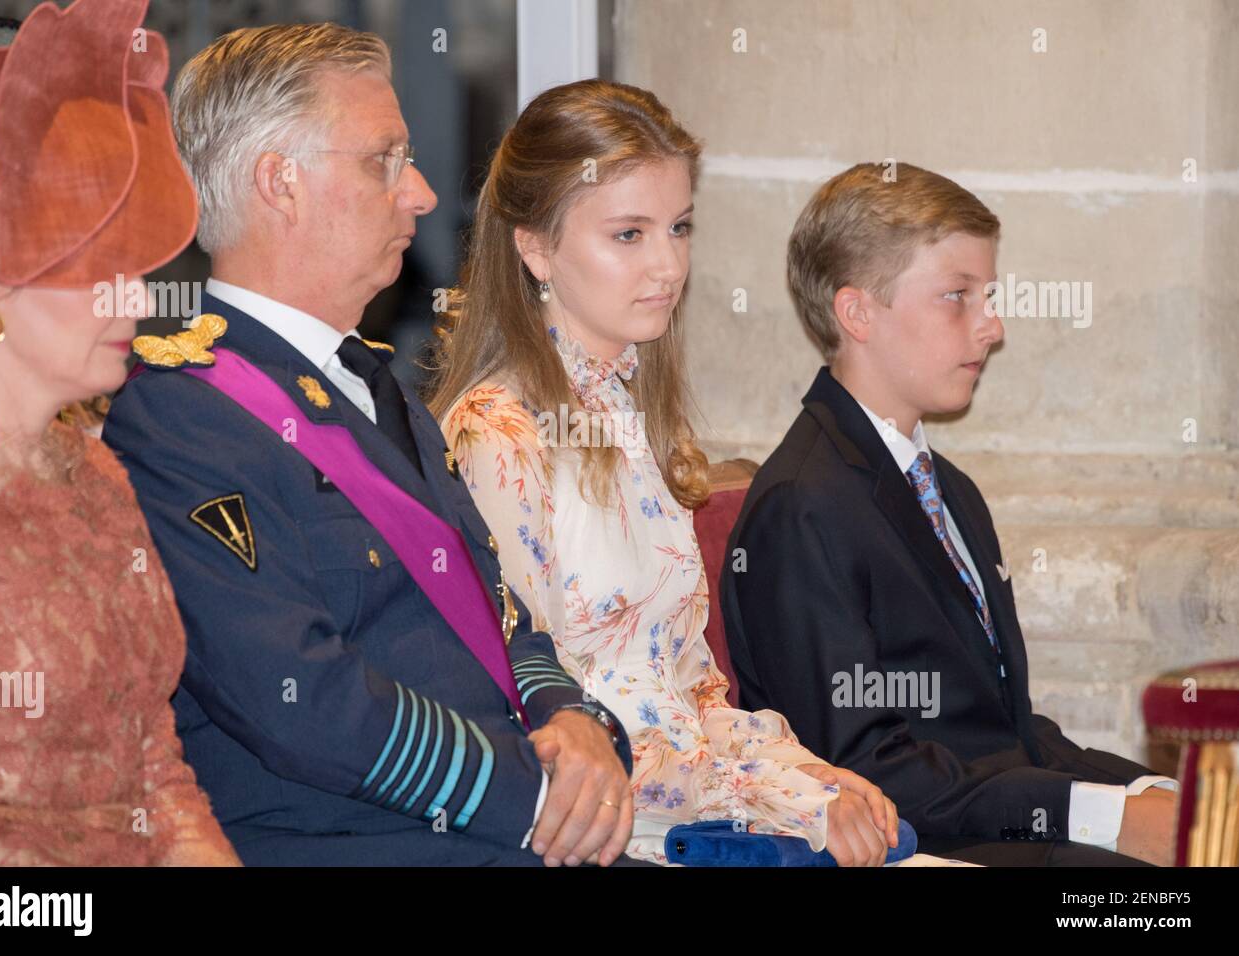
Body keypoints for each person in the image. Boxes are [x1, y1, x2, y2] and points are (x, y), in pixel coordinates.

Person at [104, 23, 640, 867]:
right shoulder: (179, 417)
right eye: (383, 160)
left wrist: (575, 724)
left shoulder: (379, 387)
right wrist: (534, 796)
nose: (422, 192)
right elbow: (301, 702)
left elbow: (499, 614)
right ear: (280, 182)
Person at [431, 79, 932, 867]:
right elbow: (542, 725)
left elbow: (694, 691)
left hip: (704, 808)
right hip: (610, 834)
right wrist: (785, 800)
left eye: (679, 227)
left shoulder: (631, 411)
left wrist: (809, 772)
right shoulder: (499, 434)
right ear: (535, 247)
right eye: (628, 235)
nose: (668, 264)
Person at [721, 161, 1179, 866]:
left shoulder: (950, 489)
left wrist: (1151, 789)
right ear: (858, 313)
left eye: (987, 296)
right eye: (957, 297)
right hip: (909, 843)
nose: (991, 326)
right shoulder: (803, 505)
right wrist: (1100, 816)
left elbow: (1007, 731)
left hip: (987, 826)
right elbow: (865, 765)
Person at [0, 0, 237, 866]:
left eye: (137, 267)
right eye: (100, 268)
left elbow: (154, 766)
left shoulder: (93, 471)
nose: (139, 302)